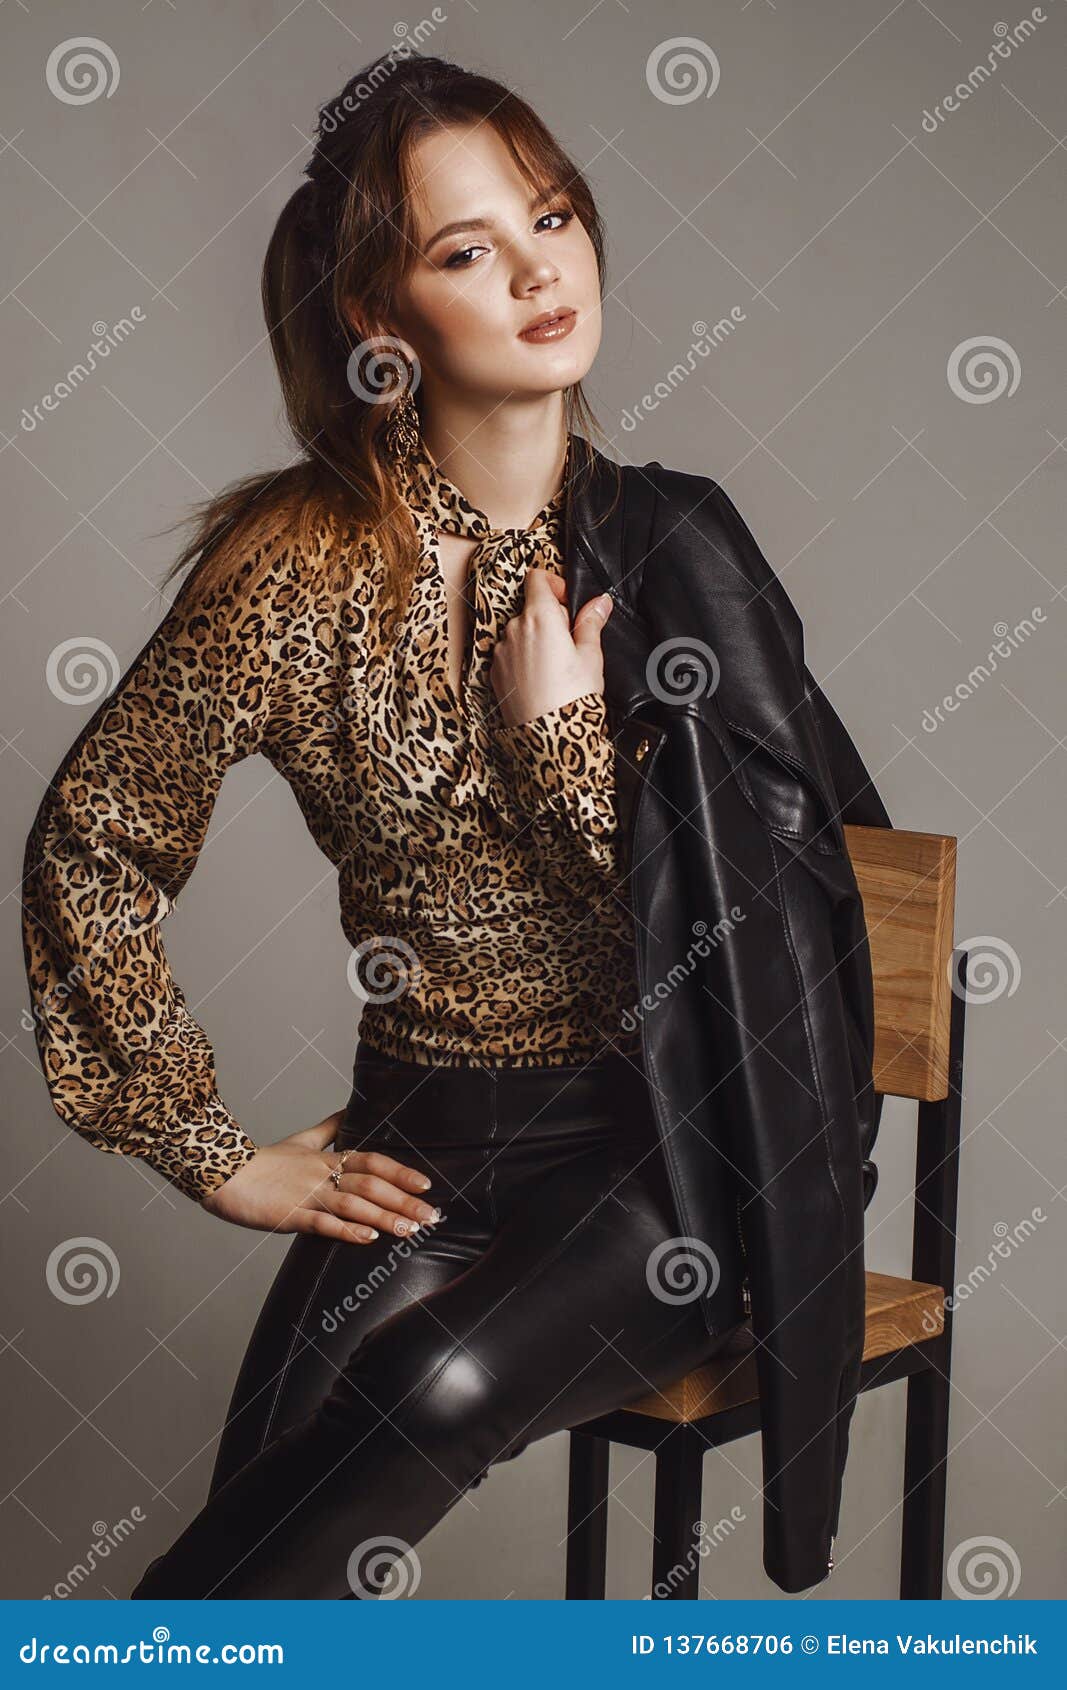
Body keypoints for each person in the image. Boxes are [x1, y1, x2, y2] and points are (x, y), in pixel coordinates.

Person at [21, 53, 757, 1599]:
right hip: (419, 1139)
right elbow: (94, 836)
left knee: (432, 1391)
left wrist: (563, 741)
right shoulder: (294, 566)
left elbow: (755, 929)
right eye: (467, 250)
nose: (541, 271)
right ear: (379, 314)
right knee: (271, 1487)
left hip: (668, 1155)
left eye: (549, 216)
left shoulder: (676, 548)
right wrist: (206, 1146)